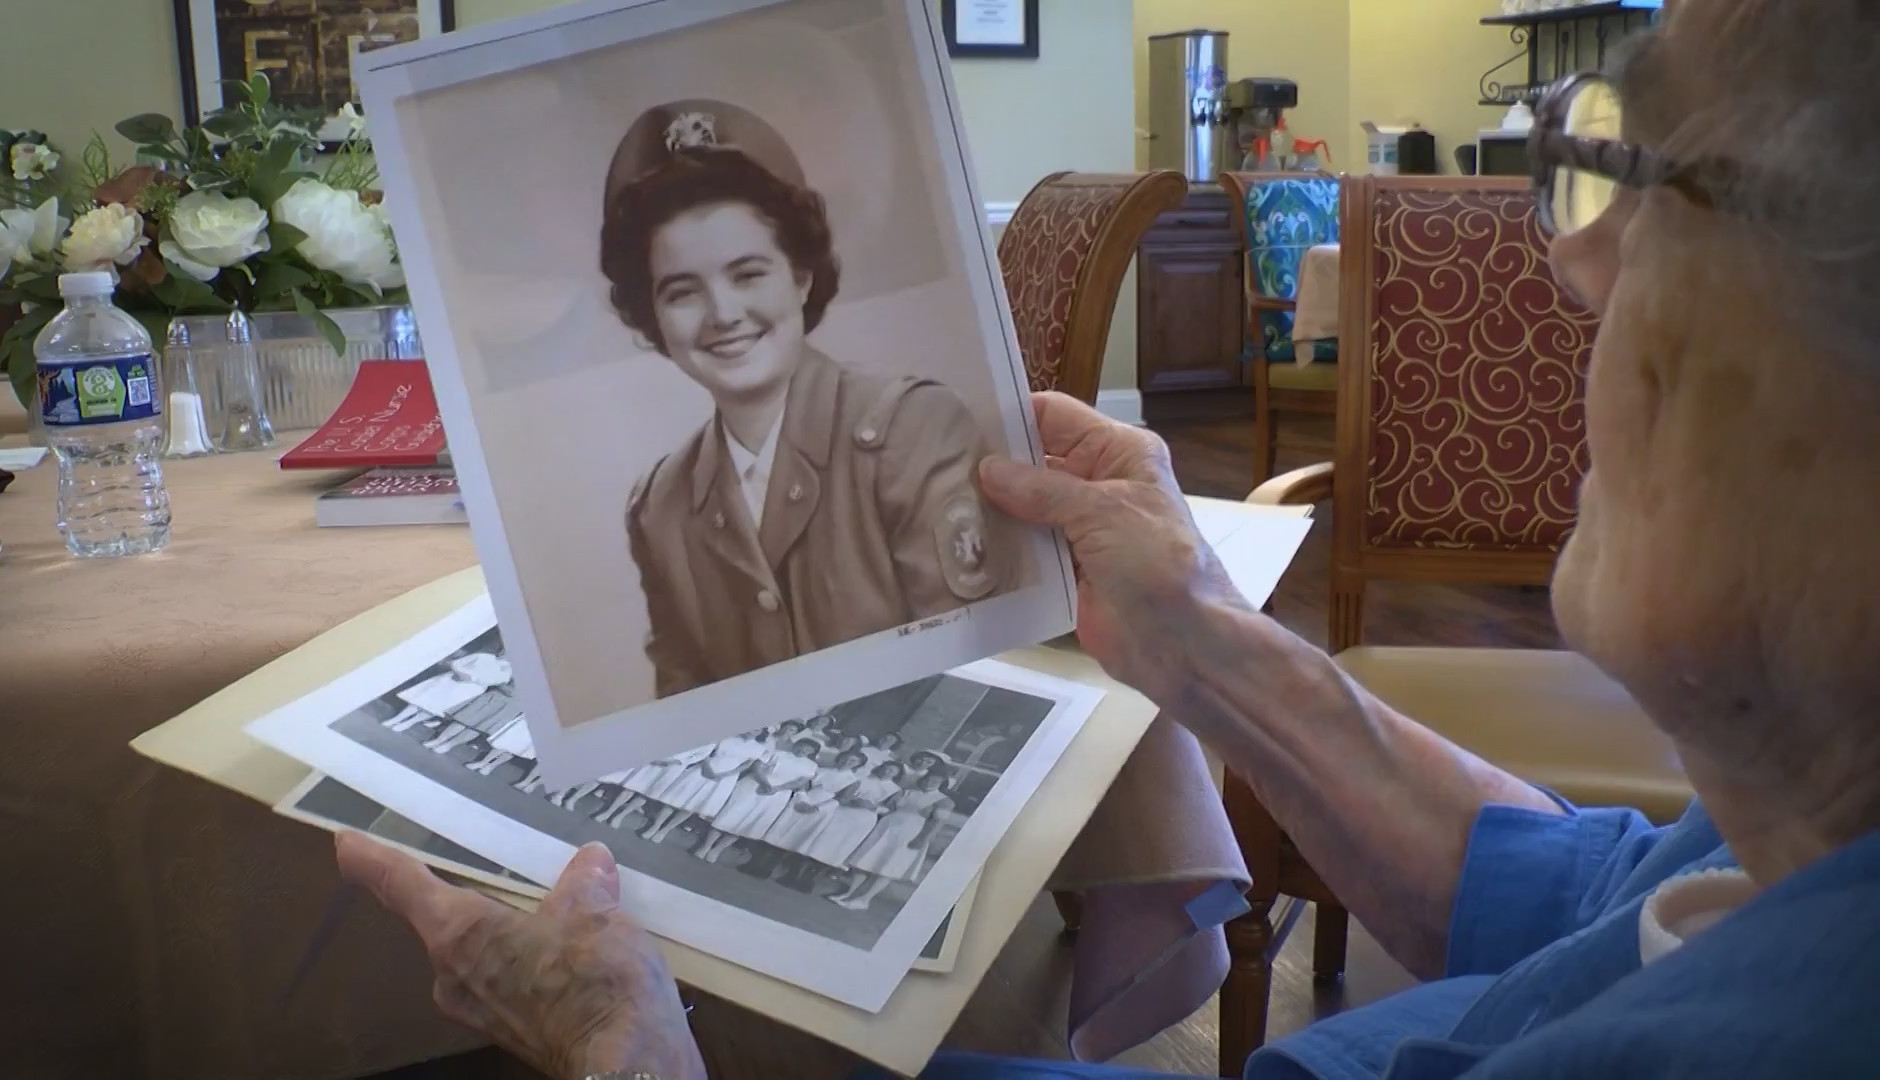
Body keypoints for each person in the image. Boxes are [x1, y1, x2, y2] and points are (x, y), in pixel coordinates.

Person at [333, 7, 1880, 1078]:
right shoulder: (1802, 852)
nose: (1580, 264)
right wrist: (1206, 637)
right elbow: (1576, 898)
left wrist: (623, 1055)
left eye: (1646, 175)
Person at [604, 99, 1019, 701]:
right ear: (653, 316)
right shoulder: (659, 507)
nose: (723, 315)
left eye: (748, 274)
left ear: (801, 277)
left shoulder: (915, 431)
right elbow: (684, 708)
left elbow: (972, 683)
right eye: (681, 291)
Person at [832, 771, 956, 912]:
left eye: (934, 781)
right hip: (887, 828)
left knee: (889, 867)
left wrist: (921, 839)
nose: (929, 783)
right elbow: (888, 807)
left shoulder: (944, 801)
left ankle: (864, 900)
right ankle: (848, 893)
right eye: (927, 779)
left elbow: (935, 824)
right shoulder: (906, 792)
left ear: (942, 785)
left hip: (911, 834)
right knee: (865, 861)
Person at [696, 737, 822, 867]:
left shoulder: (811, 766)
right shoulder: (777, 753)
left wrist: (777, 788)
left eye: (807, 750)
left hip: (777, 795)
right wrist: (765, 783)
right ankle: (705, 846)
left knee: (747, 823)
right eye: (801, 746)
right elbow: (757, 767)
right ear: (796, 744)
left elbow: (800, 782)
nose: (802, 751)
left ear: (811, 753)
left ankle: (717, 850)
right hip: (753, 787)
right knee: (730, 816)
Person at [764, 748, 872, 893]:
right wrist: (802, 799)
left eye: (853, 761)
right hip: (804, 800)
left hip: (823, 808)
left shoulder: (852, 780)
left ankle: (791, 875)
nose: (847, 762)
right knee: (784, 832)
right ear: (840, 757)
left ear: (857, 765)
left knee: (803, 840)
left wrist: (818, 809)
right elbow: (803, 784)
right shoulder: (821, 770)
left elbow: (842, 798)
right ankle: (765, 868)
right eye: (846, 758)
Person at [641, 729, 771, 845]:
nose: (753, 730)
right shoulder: (727, 737)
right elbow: (707, 753)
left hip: (724, 777)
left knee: (692, 807)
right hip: (704, 770)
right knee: (677, 800)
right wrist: (708, 768)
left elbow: (746, 766)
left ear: (762, 732)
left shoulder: (758, 748)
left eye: (758, 729)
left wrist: (726, 774)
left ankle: (665, 830)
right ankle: (655, 826)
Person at [379, 651, 511, 734]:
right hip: (451, 680)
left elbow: (494, 681)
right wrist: (460, 672)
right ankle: (397, 719)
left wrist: (473, 678)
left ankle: (408, 723)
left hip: (469, 690)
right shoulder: (483, 656)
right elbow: (456, 663)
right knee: (422, 699)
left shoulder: (507, 673)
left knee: (436, 708)